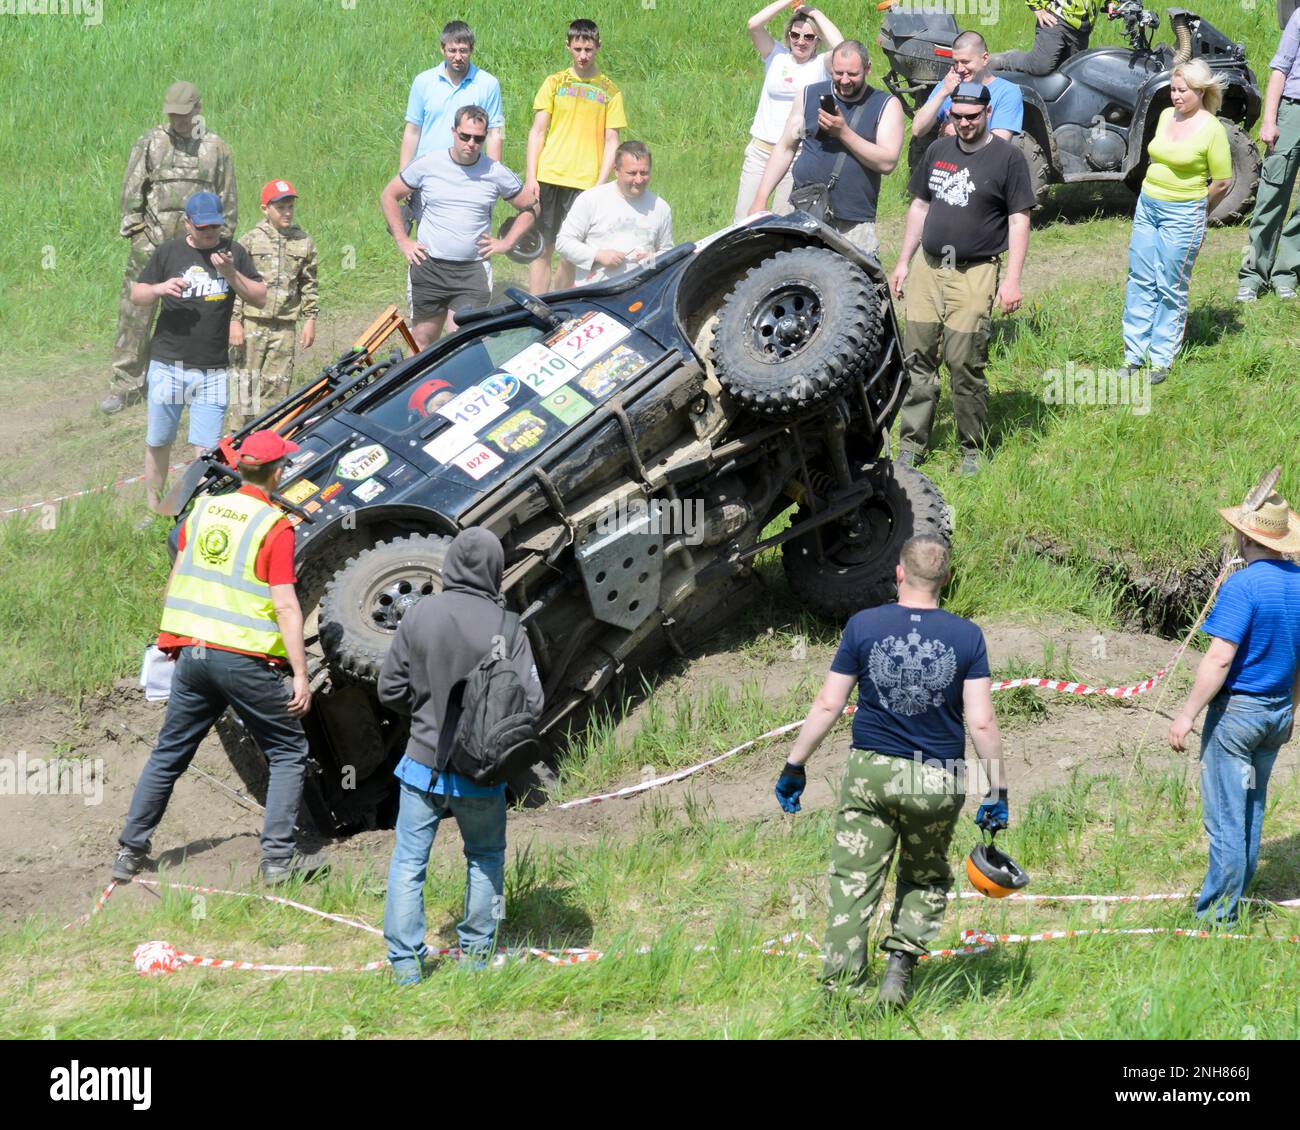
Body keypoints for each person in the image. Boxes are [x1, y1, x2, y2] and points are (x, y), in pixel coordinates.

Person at [774, 534, 1008, 1008]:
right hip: (936, 778)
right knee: (924, 877)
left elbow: (828, 703)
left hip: (871, 772)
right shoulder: (967, 635)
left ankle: (840, 991)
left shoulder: (863, 625)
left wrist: (795, 763)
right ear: (945, 579)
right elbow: (981, 721)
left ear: (899, 573)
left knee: (853, 879)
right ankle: (898, 971)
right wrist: (995, 788)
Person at [111, 430, 328, 886]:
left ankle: (130, 851)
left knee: (170, 753)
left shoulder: (205, 510)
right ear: (277, 472)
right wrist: (302, 673)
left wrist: (170, 640)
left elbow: (178, 577)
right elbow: (287, 606)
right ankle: (277, 862)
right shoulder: (275, 526)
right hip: (244, 659)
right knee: (288, 751)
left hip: (193, 654)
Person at [379, 528, 544, 984]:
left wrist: (426, 712)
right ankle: (476, 956)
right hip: (483, 772)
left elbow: (389, 688)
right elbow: (532, 703)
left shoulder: (419, 615)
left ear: (449, 564)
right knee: (486, 855)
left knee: (409, 862)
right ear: (495, 569)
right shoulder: (507, 626)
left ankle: (406, 967)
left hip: (421, 764)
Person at [1168, 486, 1300, 925]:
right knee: (1251, 806)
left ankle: (1216, 918)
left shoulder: (1242, 586)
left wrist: (1186, 715)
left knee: (1226, 814)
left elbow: (1220, 657)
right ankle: (1236, 897)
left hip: (1238, 717)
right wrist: (1292, 709)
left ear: (1246, 538)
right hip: (1277, 714)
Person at [891, 83, 1033, 476]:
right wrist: (903, 262)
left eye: (972, 117)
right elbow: (920, 206)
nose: (965, 124)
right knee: (917, 356)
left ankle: (973, 448)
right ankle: (912, 444)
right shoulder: (938, 150)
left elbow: (1019, 219)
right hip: (927, 267)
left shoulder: (1007, 159)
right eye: (958, 116)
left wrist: (1013, 280)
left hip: (975, 270)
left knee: (963, 361)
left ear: (988, 113)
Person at [105, 81, 237, 416]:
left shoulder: (216, 148)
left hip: (197, 250)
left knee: (195, 313)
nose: (178, 120)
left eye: (184, 113)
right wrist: (137, 234)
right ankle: (125, 384)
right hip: (151, 245)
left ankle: (188, 380)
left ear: (198, 109)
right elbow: (132, 191)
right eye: (173, 114)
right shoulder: (151, 142)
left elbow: (228, 201)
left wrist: (221, 243)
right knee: (135, 314)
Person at [132, 192, 266, 513]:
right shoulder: (169, 252)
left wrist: (231, 273)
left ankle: (195, 512)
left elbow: (260, 297)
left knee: (206, 449)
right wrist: (159, 288)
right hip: (168, 364)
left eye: (215, 228)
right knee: (159, 440)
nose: (209, 234)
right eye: (203, 228)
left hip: (213, 369)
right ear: (187, 224)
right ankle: (154, 509)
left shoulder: (233, 252)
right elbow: (137, 295)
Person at [381, 106, 537, 348]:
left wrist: (506, 243)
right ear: (454, 132)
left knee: (463, 343)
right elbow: (389, 195)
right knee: (421, 342)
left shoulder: (495, 172)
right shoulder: (428, 164)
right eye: (465, 136)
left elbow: (530, 208)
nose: (471, 143)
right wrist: (403, 241)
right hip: (428, 266)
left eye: (478, 138)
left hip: (472, 272)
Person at [1121, 61, 1231, 385]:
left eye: (1182, 90)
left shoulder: (1212, 129)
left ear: (1201, 91)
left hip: (1183, 213)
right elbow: (1158, 156)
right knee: (1140, 277)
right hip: (1148, 205)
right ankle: (1133, 355)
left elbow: (1223, 181)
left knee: (1169, 284)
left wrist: (1198, 208)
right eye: (1173, 89)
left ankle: (1161, 358)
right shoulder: (1168, 116)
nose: (1176, 95)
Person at [749, 40, 904, 258]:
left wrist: (843, 132)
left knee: (852, 286)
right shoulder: (808, 95)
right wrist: (760, 199)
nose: (845, 80)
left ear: (868, 69)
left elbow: (887, 162)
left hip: (853, 224)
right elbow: (785, 147)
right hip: (805, 211)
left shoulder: (886, 105)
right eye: (839, 73)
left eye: (853, 74)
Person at [525, 18, 627, 293]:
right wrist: (531, 177)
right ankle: (536, 307)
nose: (583, 55)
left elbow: (612, 141)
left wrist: (599, 184)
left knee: (571, 250)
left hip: (585, 183)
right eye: (578, 48)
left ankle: (560, 307)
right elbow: (537, 132)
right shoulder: (554, 82)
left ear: (598, 47)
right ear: (568, 46)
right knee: (542, 247)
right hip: (549, 176)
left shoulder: (610, 91)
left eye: (589, 49)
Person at [733, 3, 845, 222]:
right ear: (788, 35)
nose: (801, 41)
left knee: (783, 222)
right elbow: (754, 24)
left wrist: (812, 11)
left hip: (797, 153)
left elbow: (844, 47)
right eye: (795, 35)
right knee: (743, 220)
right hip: (760, 151)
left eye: (809, 37)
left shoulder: (821, 64)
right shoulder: (775, 55)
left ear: (817, 41)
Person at [228, 179, 319, 430]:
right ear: (265, 209)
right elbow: (235, 283)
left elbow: (309, 284)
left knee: (277, 386)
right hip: (252, 322)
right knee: (245, 384)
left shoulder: (304, 242)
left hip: (284, 326)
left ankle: (269, 437)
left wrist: (310, 319)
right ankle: (238, 439)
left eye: (290, 206)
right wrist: (235, 321)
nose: (287, 212)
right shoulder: (249, 241)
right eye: (281, 208)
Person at [1236, 7, 1300, 302]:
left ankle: (1286, 272)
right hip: (1292, 111)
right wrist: (1270, 120)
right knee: (1271, 195)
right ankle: (1252, 275)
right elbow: (1280, 69)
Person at [556, 141, 673, 285]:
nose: (639, 179)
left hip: (641, 292)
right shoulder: (591, 199)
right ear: (616, 170)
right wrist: (598, 256)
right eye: (632, 173)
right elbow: (564, 242)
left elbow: (668, 252)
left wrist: (652, 258)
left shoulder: (661, 208)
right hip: (594, 293)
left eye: (644, 173)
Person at [401, 20, 505, 165]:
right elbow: (412, 130)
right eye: (452, 50)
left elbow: (495, 133)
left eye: (463, 50)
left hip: (469, 172)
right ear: (442, 49)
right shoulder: (423, 82)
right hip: (427, 170)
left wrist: (494, 176)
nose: (457, 57)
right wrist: (403, 173)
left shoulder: (488, 84)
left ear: (471, 50)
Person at [911, 31, 1024, 144]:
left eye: (965, 62)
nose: (959, 68)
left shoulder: (1007, 92)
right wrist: (943, 92)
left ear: (984, 59)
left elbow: (999, 146)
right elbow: (917, 130)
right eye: (956, 62)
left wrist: (960, 133)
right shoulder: (948, 85)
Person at [988, 0, 1097, 76]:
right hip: (1055, 16)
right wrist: (1037, 7)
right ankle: (1003, 60)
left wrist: (1111, 3)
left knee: (1070, 72)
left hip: (1083, 26)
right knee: (1040, 65)